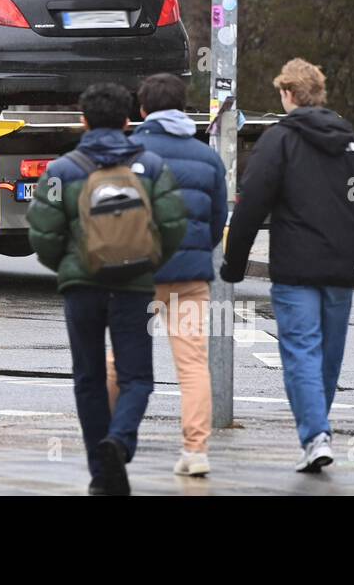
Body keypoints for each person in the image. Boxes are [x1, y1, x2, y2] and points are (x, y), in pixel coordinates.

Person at [222, 58, 354, 473]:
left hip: (295, 272)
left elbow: (250, 205)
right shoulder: (352, 144)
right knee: (328, 358)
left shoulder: (279, 141)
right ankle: (318, 432)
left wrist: (234, 264)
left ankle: (316, 435)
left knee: (301, 353)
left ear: (287, 94)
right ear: (318, 93)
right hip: (340, 272)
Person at [27, 82, 187, 495]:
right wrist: (147, 265)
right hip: (134, 288)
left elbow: (43, 233)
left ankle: (102, 474)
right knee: (137, 379)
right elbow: (173, 227)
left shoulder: (63, 170)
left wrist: (67, 266)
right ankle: (121, 439)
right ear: (127, 121)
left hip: (82, 288)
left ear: (83, 121)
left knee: (89, 378)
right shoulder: (150, 166)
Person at [129, 72, 226, 477]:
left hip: (138, 275)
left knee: (123, 358)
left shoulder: (132, 150)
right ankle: (195, 450)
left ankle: (112, 435)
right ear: (184, 107)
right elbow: (218, 216)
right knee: (192, 363)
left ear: (143, 109)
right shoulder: (207, 156)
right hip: (190, 277)